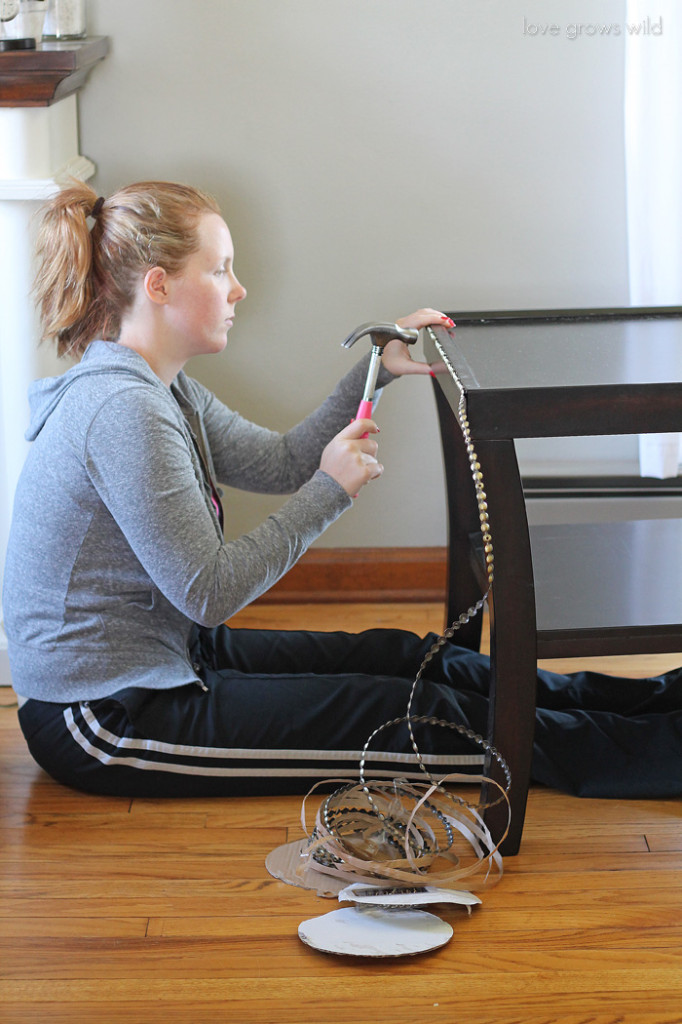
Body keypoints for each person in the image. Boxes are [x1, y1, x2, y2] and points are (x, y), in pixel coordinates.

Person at [3, 180, 682, 803]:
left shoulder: (160, 387)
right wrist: (332, 491)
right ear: (157, 286)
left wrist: (376, 371)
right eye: (220, 269)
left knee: (408, 660)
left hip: (169, 659)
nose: (238, 289)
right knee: (404, 718)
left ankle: (650, 703)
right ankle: (660, 753)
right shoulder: (123, 412)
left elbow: (281, 461)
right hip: (106, 717)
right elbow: (207, 592)